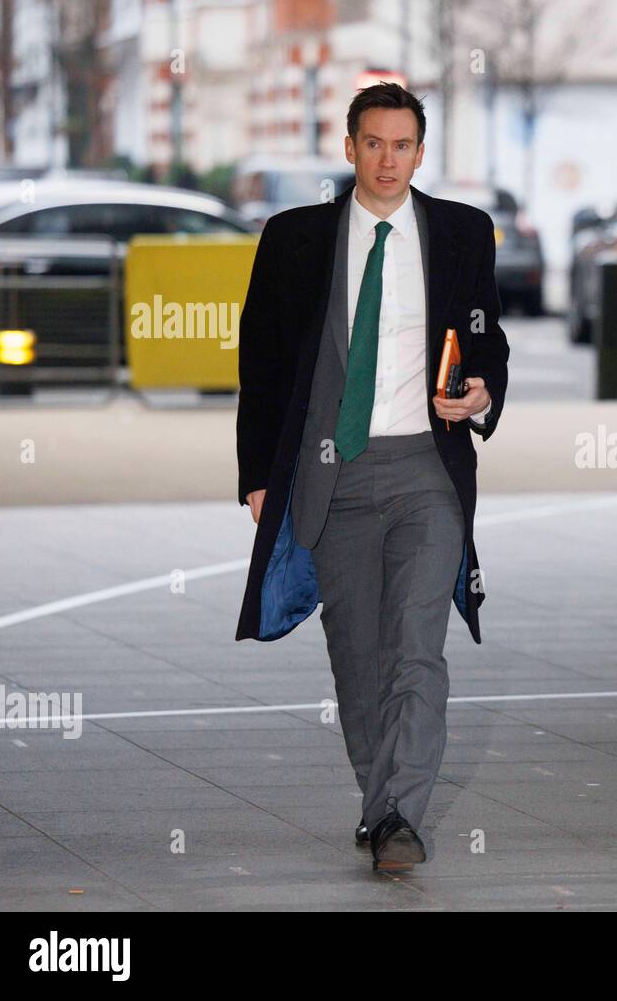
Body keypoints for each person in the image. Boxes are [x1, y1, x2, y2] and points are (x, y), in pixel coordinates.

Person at [234, 82, 509, 872]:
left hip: (427, 469)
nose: (389, 160)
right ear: (350, 147)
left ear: (421, 153)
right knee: (358, 656)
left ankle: (399, 818)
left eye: (403, 146)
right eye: (375, 144)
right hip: (334, 473)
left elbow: (486, 339)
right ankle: (381, 805)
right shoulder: (295, 238)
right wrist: (259, 476)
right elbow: (262, 361)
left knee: (417, 646)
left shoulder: (462, 232)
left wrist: (481, 392)